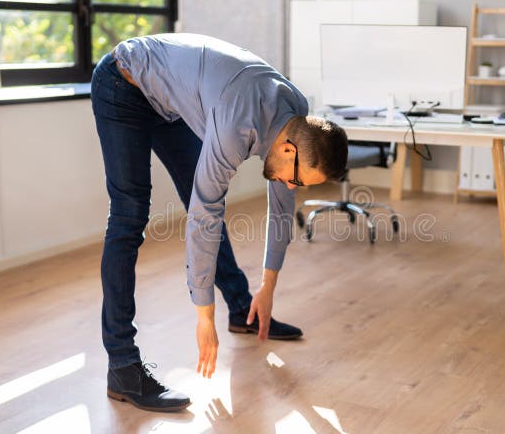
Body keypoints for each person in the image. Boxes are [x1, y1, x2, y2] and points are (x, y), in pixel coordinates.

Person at [91, 33, 348, 412]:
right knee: (130, 216)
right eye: (296, 178)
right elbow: (203, 215)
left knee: (208, 200)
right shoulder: (234, 127)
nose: (292, 186)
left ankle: (245, 310)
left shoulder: (296, 112)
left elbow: (281, 206)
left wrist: (268, 287)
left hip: (169, 102)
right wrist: (204, 315)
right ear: (288, 149)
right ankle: (122, 367)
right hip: (124, 81)